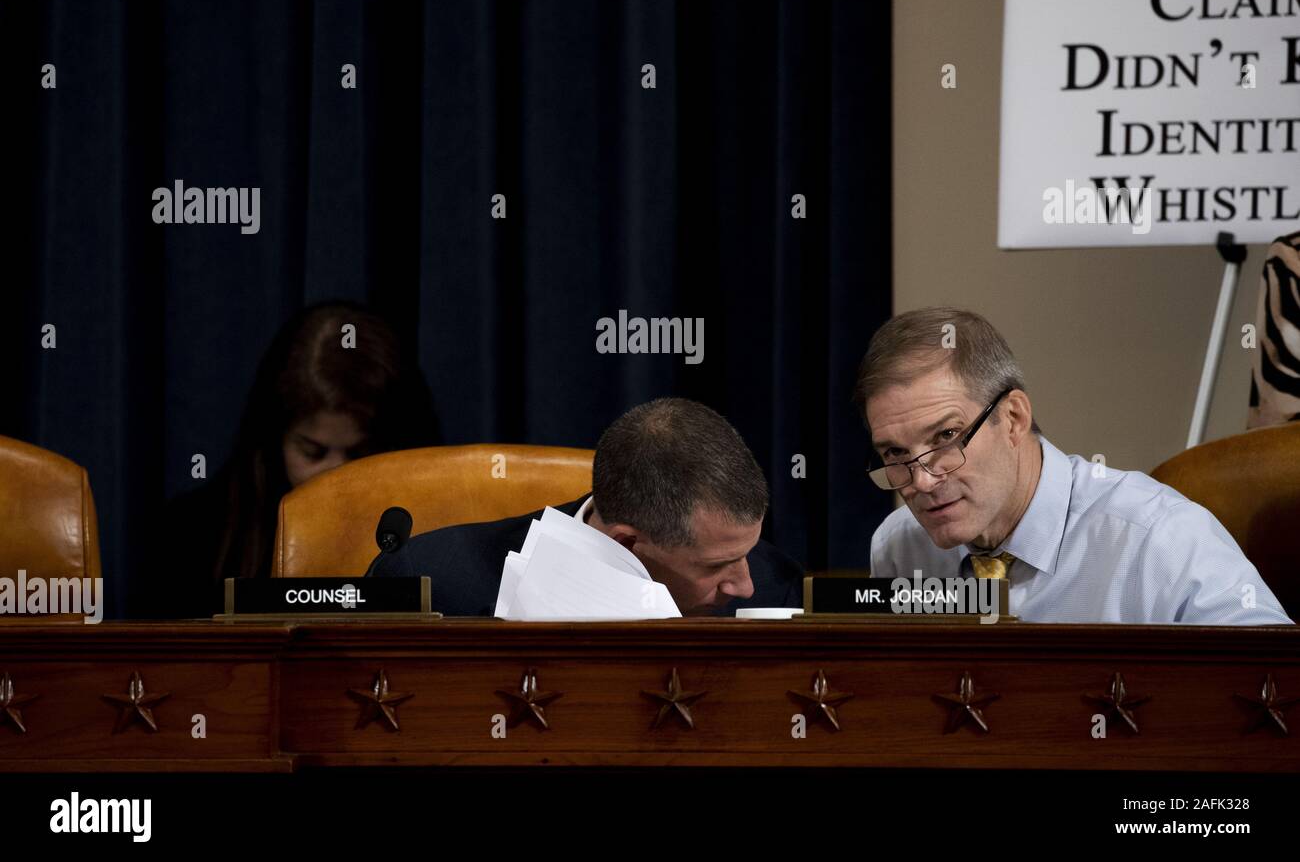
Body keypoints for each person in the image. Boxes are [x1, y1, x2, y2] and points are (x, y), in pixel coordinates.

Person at [855, 306, 1292, 625]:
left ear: (1013, 419)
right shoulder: (901, 548)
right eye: (895, 454)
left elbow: (1272, 700)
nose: (923, 480)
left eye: (946, 437)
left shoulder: (1158, 538)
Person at [138, 300, 439, 618]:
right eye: (313, 452)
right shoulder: (189, 538)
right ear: (272, 441)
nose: (335, 476)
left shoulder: (447, 539)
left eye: (359, 454)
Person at [368, 397, 803, 616]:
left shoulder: (775, 587)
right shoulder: (433, 582)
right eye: (716, 566)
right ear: (627, 544)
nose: (745, 586)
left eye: (746, 551)